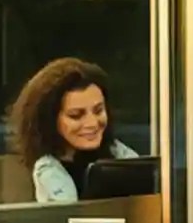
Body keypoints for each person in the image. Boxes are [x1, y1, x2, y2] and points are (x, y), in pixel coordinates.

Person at [10, 57, 137, 203]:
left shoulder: (120, 154)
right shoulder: (48, 171)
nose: (92, 123)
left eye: (98, 111)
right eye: (76, 115)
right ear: (49, 120)